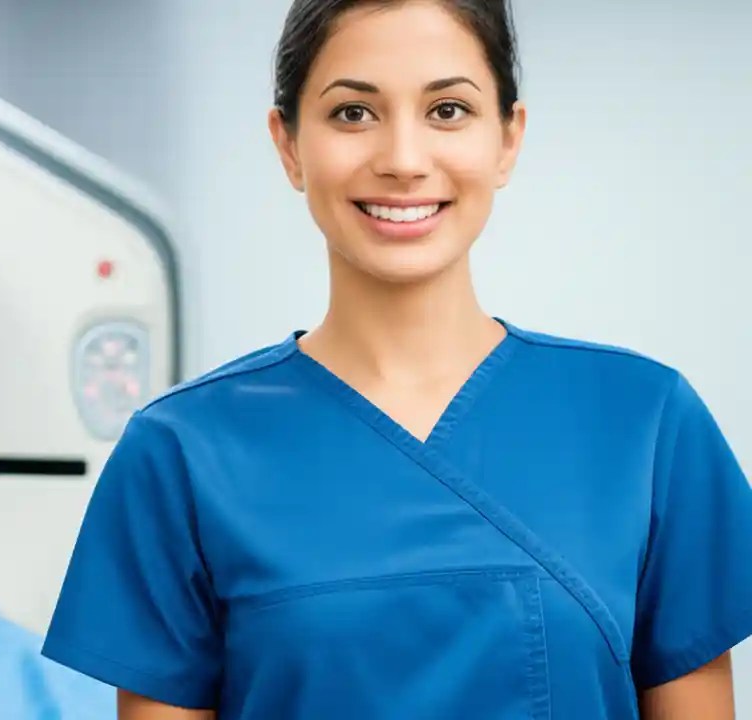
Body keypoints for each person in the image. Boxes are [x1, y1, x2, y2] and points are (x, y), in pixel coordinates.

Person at [40, 0, 752, 718]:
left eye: (447, 110)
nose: (404, 161)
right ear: (288, 145)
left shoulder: (645, 423)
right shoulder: (181, 454)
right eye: (353, 113)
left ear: (509, 138)